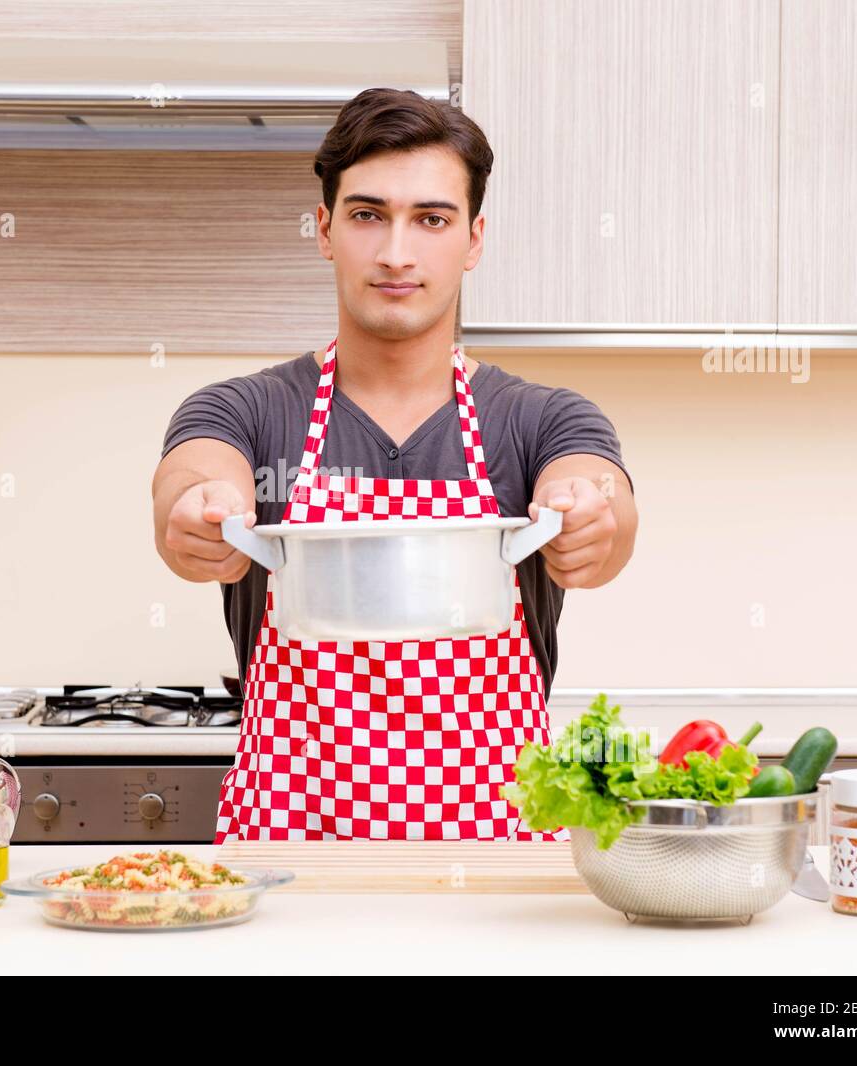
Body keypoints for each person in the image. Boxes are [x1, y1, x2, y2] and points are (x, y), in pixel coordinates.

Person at [152, 88, 637, 843]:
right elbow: (191, 477)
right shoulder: (247, 412)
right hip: (292, 864)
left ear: (474, 239)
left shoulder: (540, 419)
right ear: (325, 229)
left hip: (499, 875)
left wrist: (590, 513)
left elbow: (601, 495)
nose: (396, 253)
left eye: (431, 220)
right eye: (368, 214)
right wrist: (199, 510)